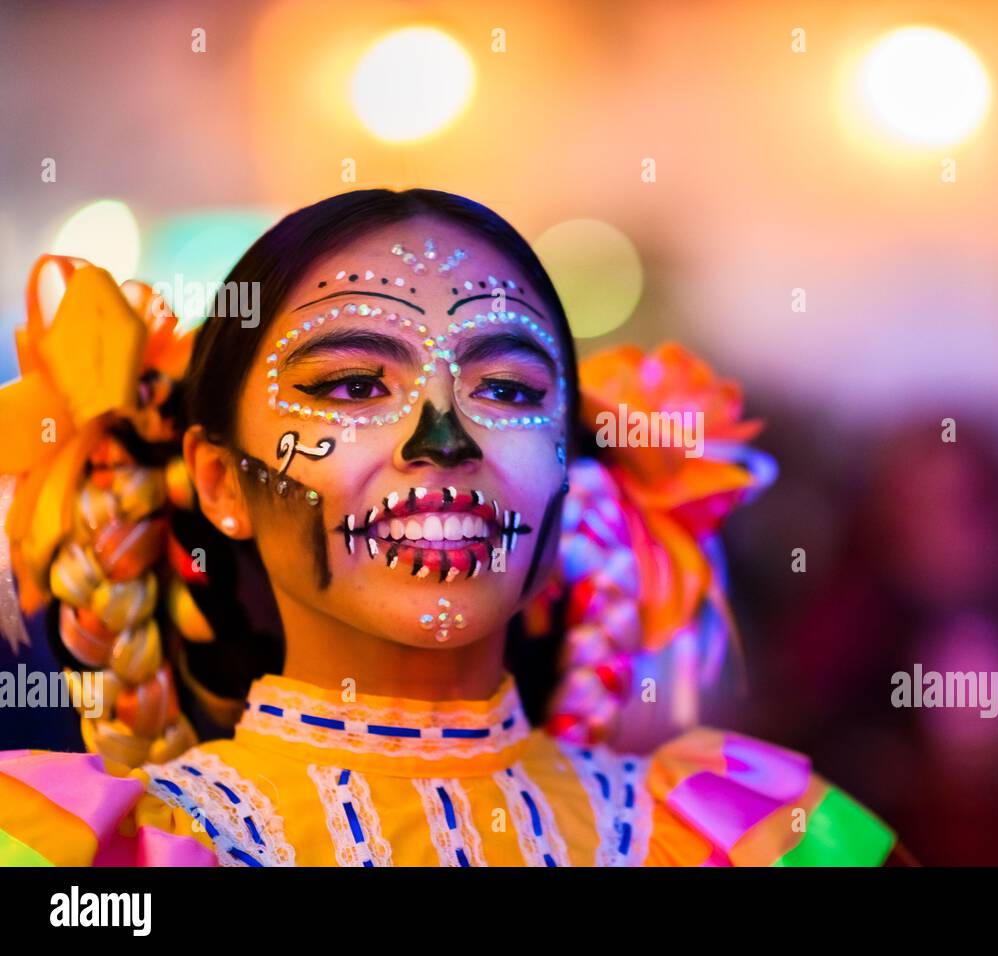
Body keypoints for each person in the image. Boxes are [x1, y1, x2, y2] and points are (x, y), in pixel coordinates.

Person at [0, 189, 907, 867]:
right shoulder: (88, 854)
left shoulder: (755, 840)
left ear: (567, 471)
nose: (444, 439)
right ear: (219, 483)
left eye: (507, 391)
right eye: (353, 386)